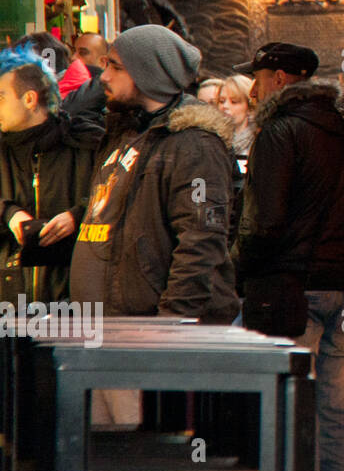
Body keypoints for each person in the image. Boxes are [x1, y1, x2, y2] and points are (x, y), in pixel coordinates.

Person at [234, 41, 344, 471]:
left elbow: (265, 221)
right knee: (335, 410)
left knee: (294, 407)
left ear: (277, 78)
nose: (252, 87)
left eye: (257, 76)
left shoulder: (278, 132)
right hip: (340, 288)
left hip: (291, 290)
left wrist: (240, 266)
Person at [68, 25, 239, 321]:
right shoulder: (124, 129)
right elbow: (75, 112)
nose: (104, 76)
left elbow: (201, 244)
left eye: (116, 67)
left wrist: (171, 325)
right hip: (109, 324)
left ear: (148, 75)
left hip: (150, 330)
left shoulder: (195, 144)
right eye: (106, 63)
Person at [0, 47, 103, 305]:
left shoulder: (87, 143)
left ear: (30, 99)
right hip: (8, 306)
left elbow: (115, 200)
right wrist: (7, 213)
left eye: (1, 97)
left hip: (75, 301)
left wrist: (77, 216)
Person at [217, 74, 255, 157]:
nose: (225, 106)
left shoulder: (258, 140)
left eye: (234, 101)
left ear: (249, 107)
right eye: (221, 101)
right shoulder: (210, 138)